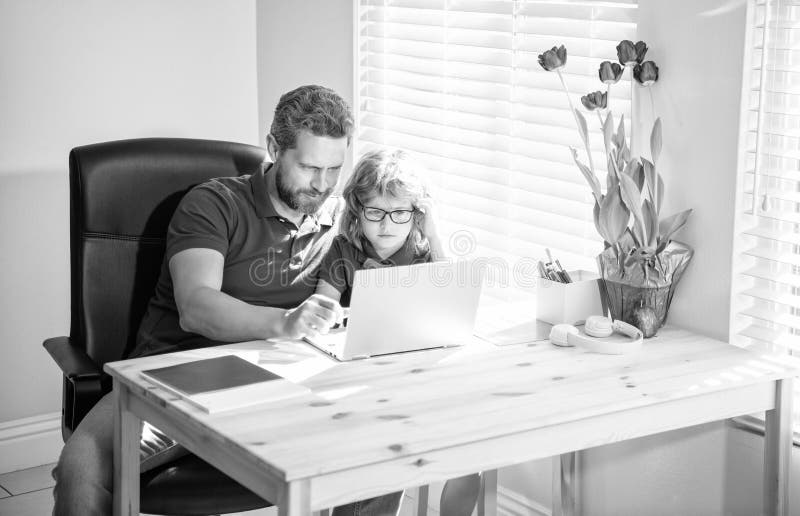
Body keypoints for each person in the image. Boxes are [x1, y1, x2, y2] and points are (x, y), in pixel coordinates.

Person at [52, 85, 400, 516]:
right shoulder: (214, 204)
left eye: (334, 169)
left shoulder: (338, 221)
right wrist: (286, 322)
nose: (323, 185)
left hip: (283, 385)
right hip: (178, 379)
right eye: (310, 167)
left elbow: (406, 273)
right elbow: (197, 306)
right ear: (274, 148)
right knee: (81, 470)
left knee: (383, 452)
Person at [315, 149, 481, 516]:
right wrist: (338, 316)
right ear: (358, 210)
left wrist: (434, 234)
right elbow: (321, 308)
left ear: (416, 215)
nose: (386, 225)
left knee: (471, 446)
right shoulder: (345, 250)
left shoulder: (423, 253)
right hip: (363, 376)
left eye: (400, 214)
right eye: (374, 212)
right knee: (373, 451)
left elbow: (452, 299)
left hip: (419, 375)